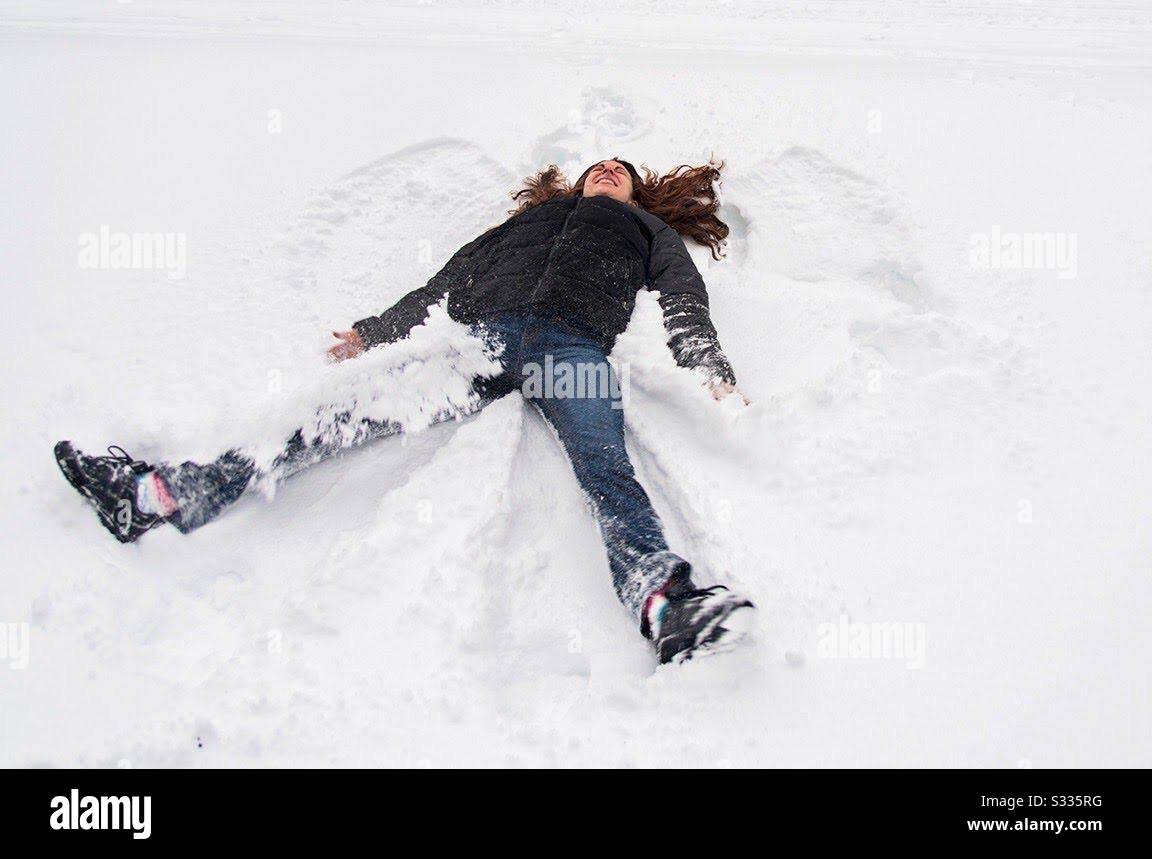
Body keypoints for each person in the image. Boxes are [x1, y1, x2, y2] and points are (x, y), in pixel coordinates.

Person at [54, 158, 755, 664]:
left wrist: (710, 371)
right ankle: (164, 493)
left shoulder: (642, 233)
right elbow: (447, 282)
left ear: (636, 191)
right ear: (573, 184)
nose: (606, 172)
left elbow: (685, 297)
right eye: (596, 168)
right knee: (333, 419)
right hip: (479, 339)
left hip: (572, 346)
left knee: (607, 467)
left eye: (619, 171)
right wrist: (375, 330)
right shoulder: (529, 221)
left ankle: (663, 598)